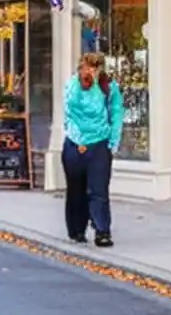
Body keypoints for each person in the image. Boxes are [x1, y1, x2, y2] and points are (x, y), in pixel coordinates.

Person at [62, 52, 124, 248]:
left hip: (99, 143)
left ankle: (102, 230)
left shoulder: (109, 87)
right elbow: (70, 112)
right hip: (75, 143)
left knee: (99, 190)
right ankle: (77, 229)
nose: (92, 71)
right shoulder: (73, 85)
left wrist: (113, 142)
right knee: (76, 189)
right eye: (88, 66)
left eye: (96, 67)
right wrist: (77, 137)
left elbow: (116, 113)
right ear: (81, 67)